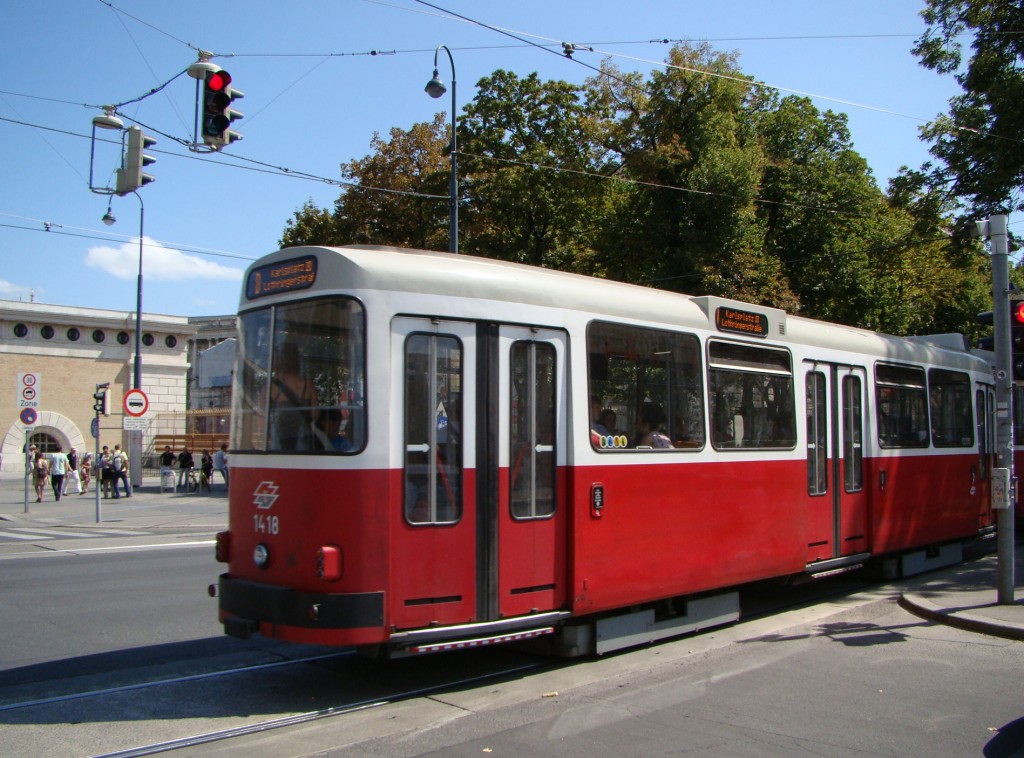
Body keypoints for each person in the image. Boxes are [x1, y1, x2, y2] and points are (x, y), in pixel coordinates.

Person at [269, 342, 319, 450]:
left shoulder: (270, 386)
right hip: (303, 437)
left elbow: (261, 418)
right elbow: (315, 414)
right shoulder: (308, 384)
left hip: (278, 438)